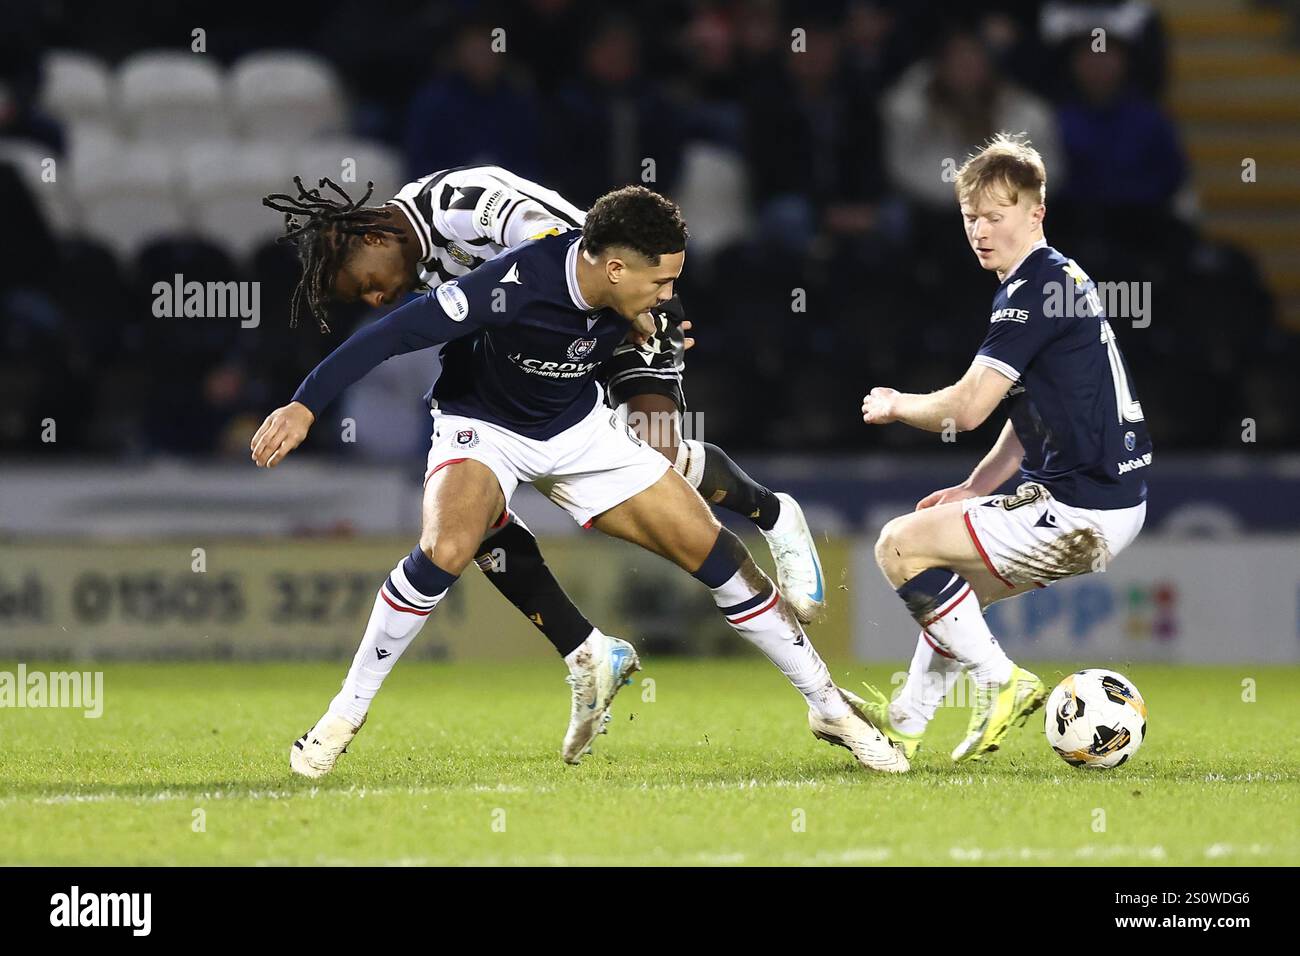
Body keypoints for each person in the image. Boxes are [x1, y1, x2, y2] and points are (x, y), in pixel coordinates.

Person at [253, 186, 908, 776]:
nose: (669, 294)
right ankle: (346, 713)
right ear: (616, 269)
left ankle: (826, 702)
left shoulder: (615, 282)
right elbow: (390, 336)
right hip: (484, 422)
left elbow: (593, 248)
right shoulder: (510, 282)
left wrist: (655, 318)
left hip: (577, 425)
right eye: (663, 282)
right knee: (448, 546)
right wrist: (305, 404)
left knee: (710, 546)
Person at [859, 133, 1151, 762]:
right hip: (1109, 498)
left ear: (1035, 212)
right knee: (951, 588)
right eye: (971, 217)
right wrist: (975, 488)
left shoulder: (1031, 291)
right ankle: (908, 718)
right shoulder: (1055, 278)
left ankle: (1003, 681)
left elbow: (967, 409)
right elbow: (1034, 411)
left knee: (898, 544)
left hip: (1084, 505)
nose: (981, 231)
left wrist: (896, 402)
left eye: (997, 215)